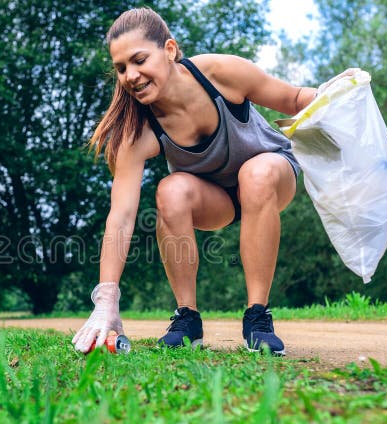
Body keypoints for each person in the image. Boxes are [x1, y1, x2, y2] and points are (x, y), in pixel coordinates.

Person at [71, 7, 349, 355]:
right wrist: (106, 298)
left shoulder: (219, 73)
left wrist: (342, 98)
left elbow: (293, 100)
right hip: (216, 200)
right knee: (170, 190)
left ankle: (258, 317)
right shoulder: (137, 133)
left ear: (169, 50)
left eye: (139, 60)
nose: (130, 75)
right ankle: (187, 318)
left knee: (256, 174)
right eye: (121, 68)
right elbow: (122, 216)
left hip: (272, 176)